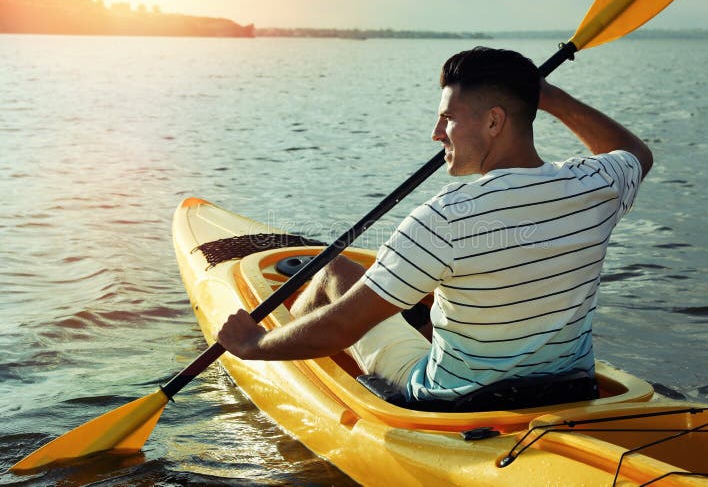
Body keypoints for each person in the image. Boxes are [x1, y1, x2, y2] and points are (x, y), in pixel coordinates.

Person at [217, 46, 652, 408]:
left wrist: (254, 344)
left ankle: (292, 376)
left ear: (494, 122)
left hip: (452, 400)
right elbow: (633, 152)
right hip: (569, 390)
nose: (436, 133)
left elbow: (341, 329)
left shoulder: (444, 216)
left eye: (448, 118)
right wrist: (551, 97)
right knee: (407, 297)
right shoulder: (597, 187)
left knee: (332, 273)